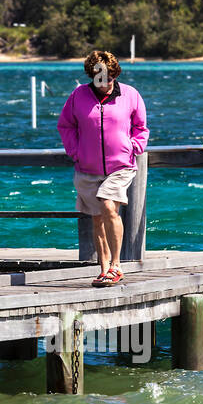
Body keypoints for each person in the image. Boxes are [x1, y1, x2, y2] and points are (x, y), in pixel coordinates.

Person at [56, 50, 149, 287]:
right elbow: (65, 125)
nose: (105, 83)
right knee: (97, 219)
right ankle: (104, 268)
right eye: (100, 78)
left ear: (115, 75)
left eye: (109, 78)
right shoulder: (78, 96)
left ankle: (116, 266)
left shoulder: (130, 95)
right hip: (87, 168)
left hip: (121, 166)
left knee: (108, 205)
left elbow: (141, 127)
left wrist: (134, 146)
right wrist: (75, 151)